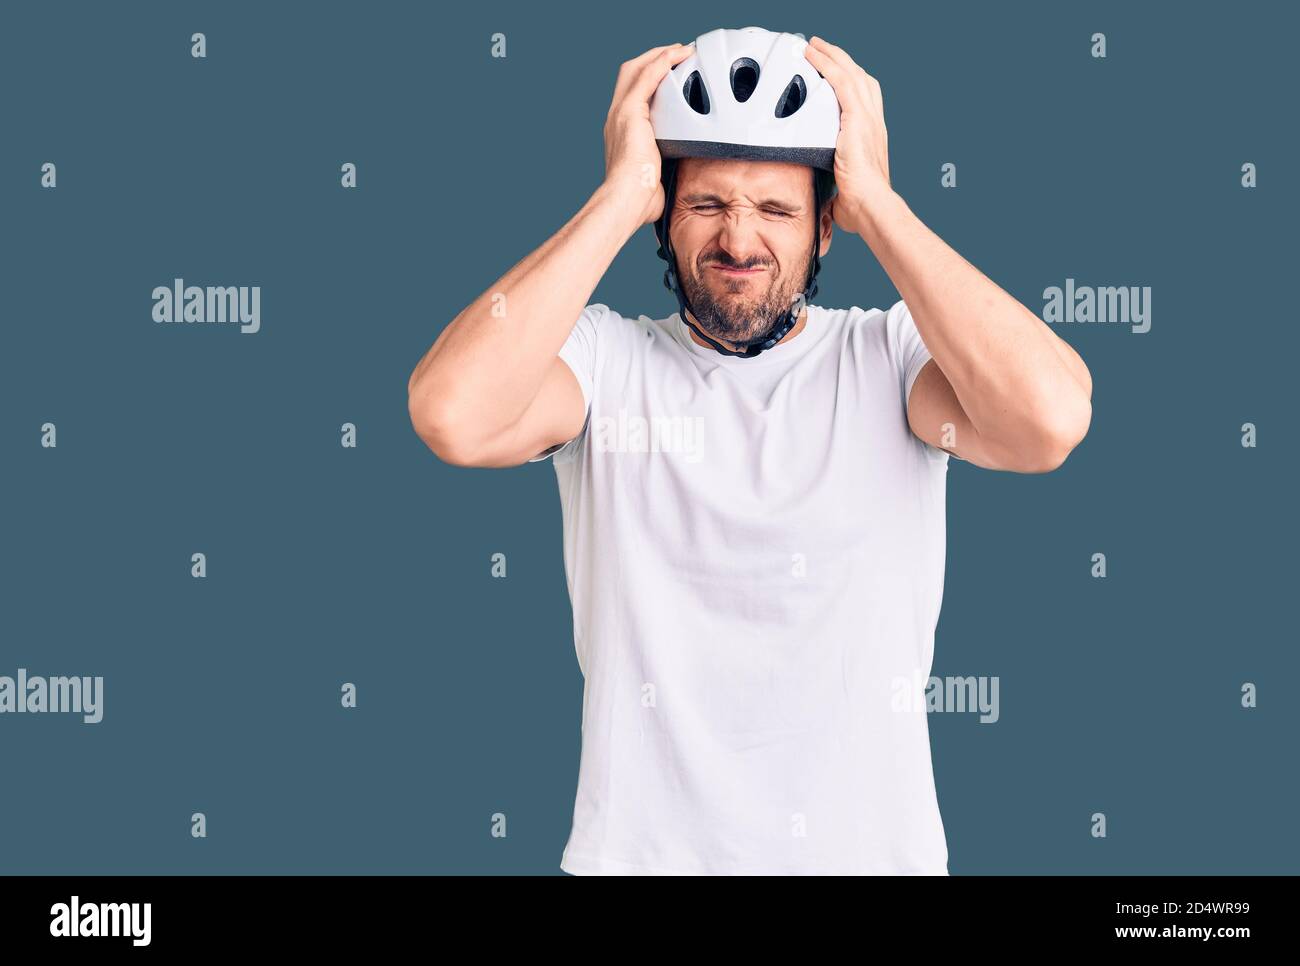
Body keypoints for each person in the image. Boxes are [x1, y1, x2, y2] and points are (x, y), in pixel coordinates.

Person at [408, 26, 1092, 875]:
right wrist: (618, 196)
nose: (739, 241)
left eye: (776, 210)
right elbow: (452, 415)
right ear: (664, 216)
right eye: (706, 205)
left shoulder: (890, 360)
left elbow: (1050, 420)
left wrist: (880, 204)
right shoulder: (604, 364)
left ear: (826, 225)